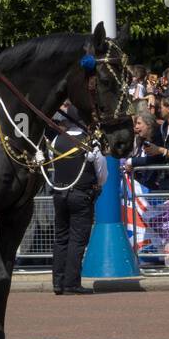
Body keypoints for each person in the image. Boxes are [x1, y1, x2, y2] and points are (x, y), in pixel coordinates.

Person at [49, 101, 106, 295]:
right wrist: (97, 184)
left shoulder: (57, 140)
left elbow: (54, 166)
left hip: (60, 193)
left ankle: (57, 282)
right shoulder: (91, 142)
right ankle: (72, 283)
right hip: (81, 194)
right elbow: (102, 172)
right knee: (77, 240)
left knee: (61, 238)